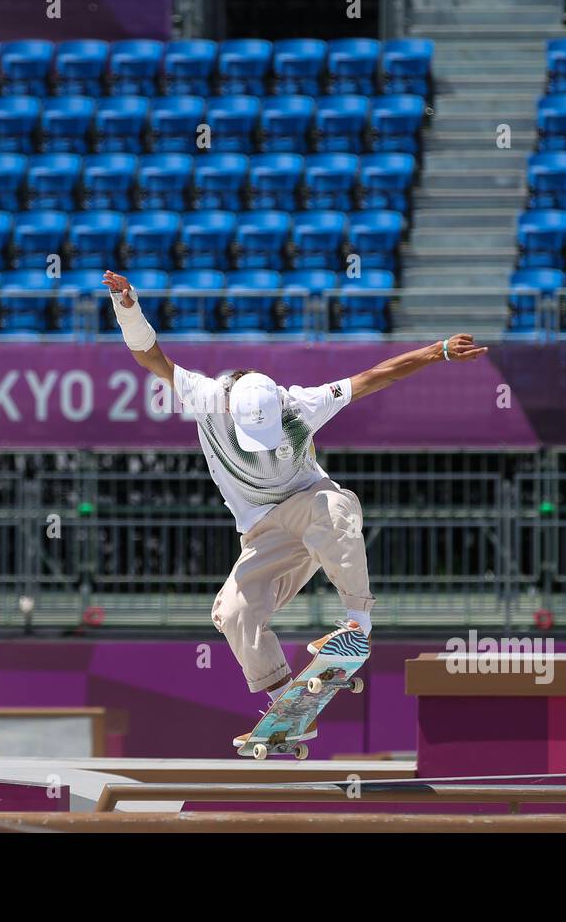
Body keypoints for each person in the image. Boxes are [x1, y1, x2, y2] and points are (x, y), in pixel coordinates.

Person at [103, 270, 488, 747]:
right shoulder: (207, 397)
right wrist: (128, 307)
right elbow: (150, 356)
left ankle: (356, 624)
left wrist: (437, 351)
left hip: (307, 508)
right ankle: (291, 708)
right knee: (232, 613)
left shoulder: (300, 405)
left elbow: (372, 378)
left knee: (336, 506)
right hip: (264, 532)